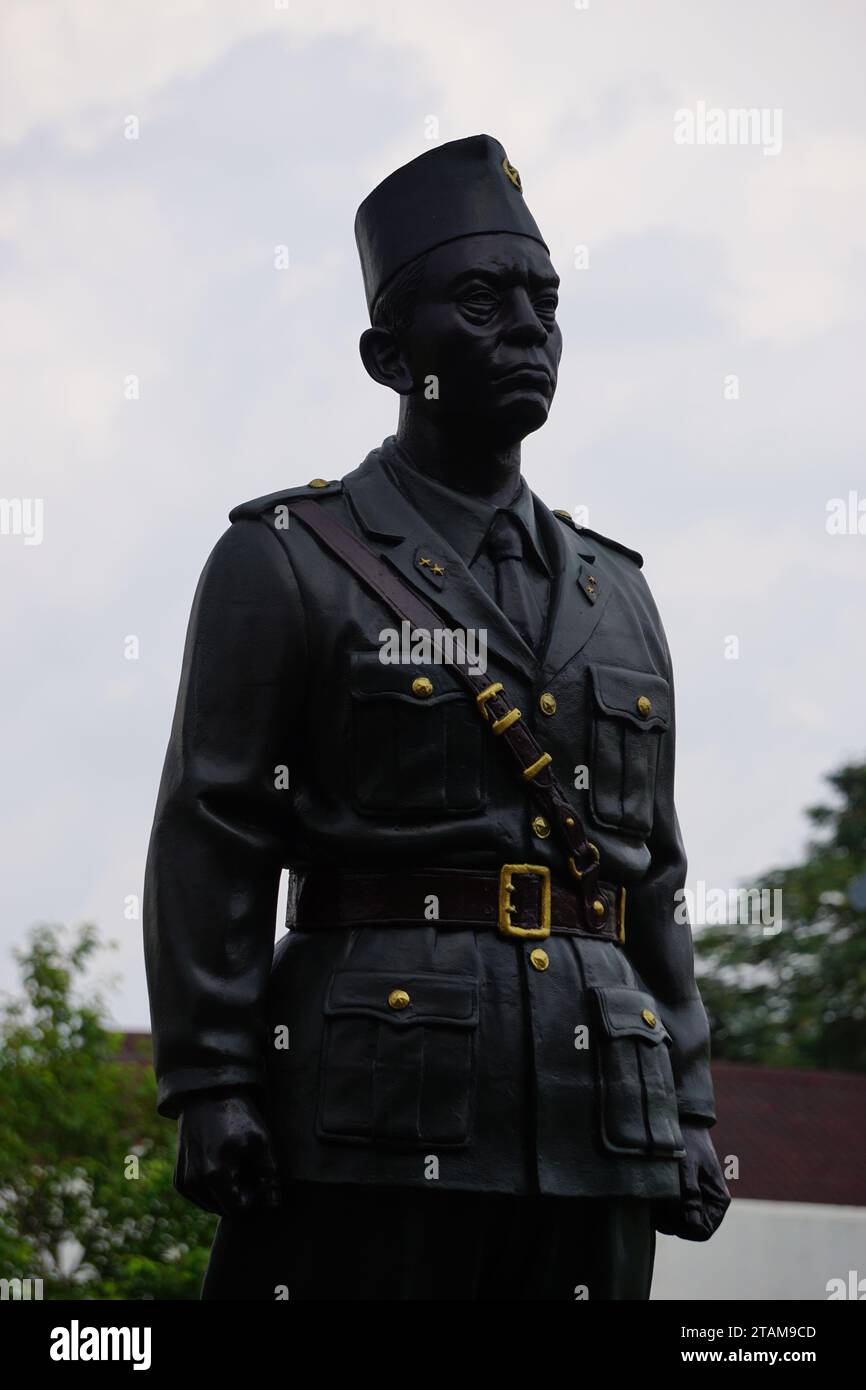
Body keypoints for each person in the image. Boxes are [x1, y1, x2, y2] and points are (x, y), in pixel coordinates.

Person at [144, 134, 729, 1301]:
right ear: (386, 352)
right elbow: (213, 829)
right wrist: (211, 1083)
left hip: (597, 1113)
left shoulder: (623, 596)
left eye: (542, 300)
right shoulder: (286, 562)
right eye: (480, 300)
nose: (527, 327)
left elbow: (648, 875)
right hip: (376, 1097)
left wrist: (691, 1100)